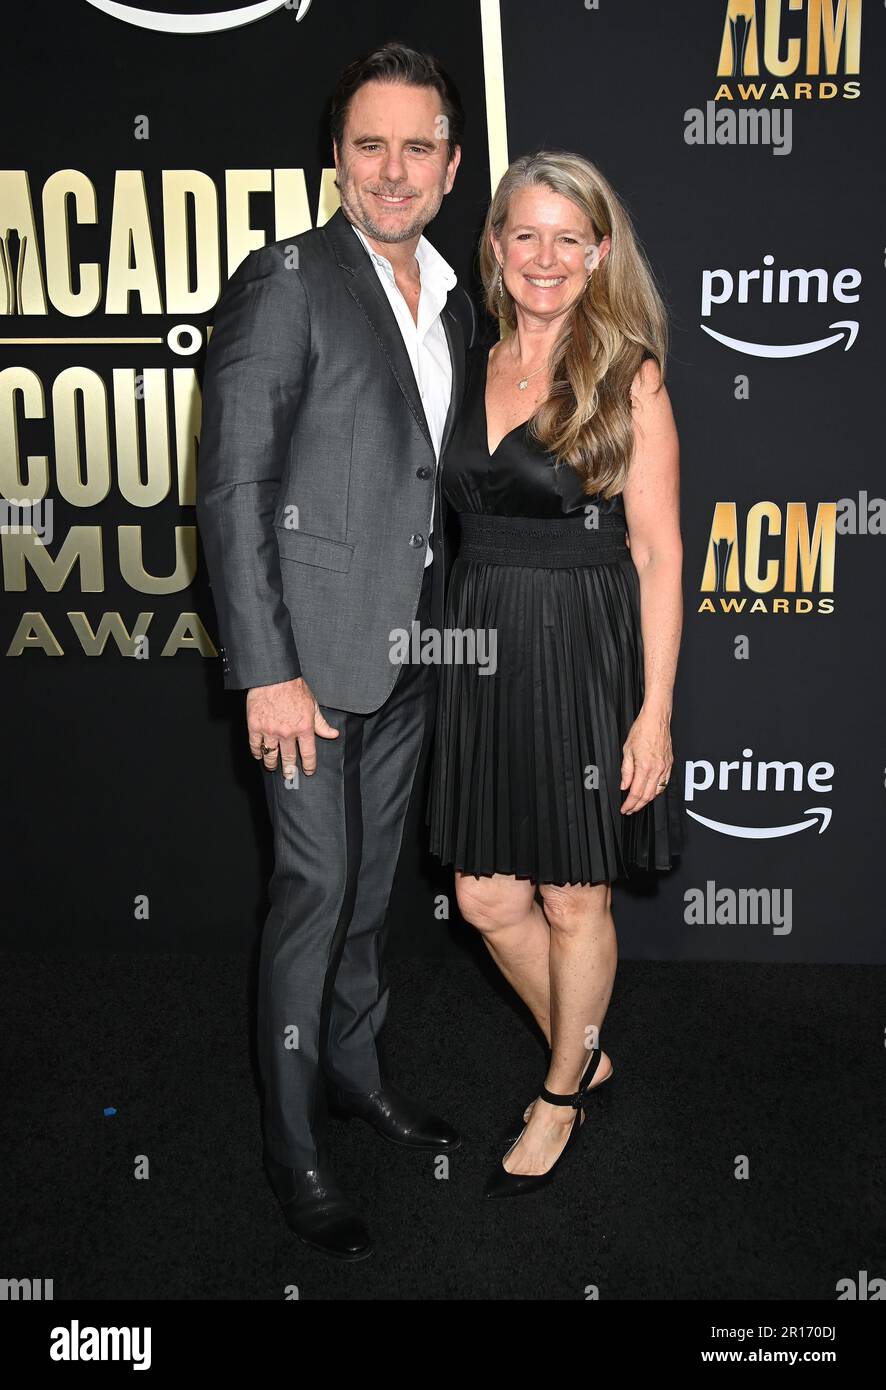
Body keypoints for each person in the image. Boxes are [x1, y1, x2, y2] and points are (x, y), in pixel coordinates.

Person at [196, 42, 476, 1258]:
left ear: (452, 165)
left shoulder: (460, 296)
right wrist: (265, 667)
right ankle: (292, 1139)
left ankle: (355, 1074)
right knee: (313, 893)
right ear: (337, 161)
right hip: (303, 667)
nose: (394, 168)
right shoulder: (287, 280)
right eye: (372, 144)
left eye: (419, 145)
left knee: (370, 890)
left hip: (408, 654)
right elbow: (234, 484)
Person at [425, 150, 684, 1197]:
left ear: (599, 251)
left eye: (566, 237)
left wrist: (654, 709)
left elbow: (658, 553)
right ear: (493, 247)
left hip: (582, 643)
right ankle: (583, 1045)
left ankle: (562, 1092)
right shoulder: (462, 362)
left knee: (576, 899)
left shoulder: (628, 376)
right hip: (479, 640)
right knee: (484, 896)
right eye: (522, 233)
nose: (544, 256)